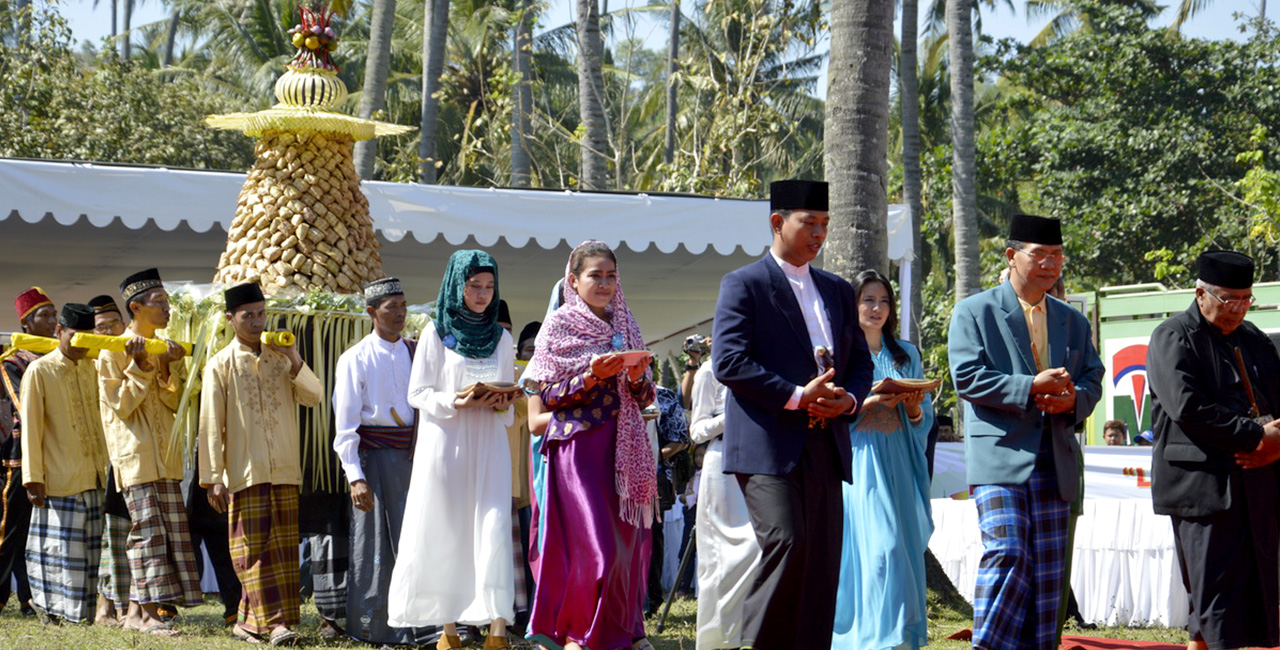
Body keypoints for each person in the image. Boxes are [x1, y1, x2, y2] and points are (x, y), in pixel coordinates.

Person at [711, 179, 874, 650]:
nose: (819, 233)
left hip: (826, 443)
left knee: (821, 561)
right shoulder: (745, 283)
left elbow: (859, 362)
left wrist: (850, 400)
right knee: (788, 541)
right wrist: (797, 395)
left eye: (825, 224)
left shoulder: (838, 290)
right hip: (767, 445)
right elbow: (730, 362)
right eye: (809, 223)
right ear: (778, 223)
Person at [947, 214, 1104, 650]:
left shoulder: (1072, 320)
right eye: (1040, 255)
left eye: (1057, 255)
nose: (1050, 264)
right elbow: (967, 377)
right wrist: (1028, 387)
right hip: (999, 456)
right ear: (1012, 256)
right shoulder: (974, 311)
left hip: (1057, 456)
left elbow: (1093, 377)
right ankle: (989, 645)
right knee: (1008, 551)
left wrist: (1074, 401)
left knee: (1050, 577)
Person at [524, 240, 657, 650]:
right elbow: (548, 395)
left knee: (625, 548)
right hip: (578, 449)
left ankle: (624, 630)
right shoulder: (559, 326)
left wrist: (636, 377)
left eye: (610, 275)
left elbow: (644, 395)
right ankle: (580, 634)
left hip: (625, 446)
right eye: (594, 275)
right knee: (595, 547)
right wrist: (592, 376)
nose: (604, 284)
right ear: (574, 280)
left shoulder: (626, 323)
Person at [1146, 250, 1280, 650]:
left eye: (1245, 300)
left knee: (1250, 591)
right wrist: (1255, 436)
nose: (1236, 310)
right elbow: (1188, 408)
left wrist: (1276, 442)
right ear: (1200, 293)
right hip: (1202, 487)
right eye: (1227, 300)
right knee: (1214, 592)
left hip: (1257, 482)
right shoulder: (1173, 336)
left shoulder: (1255, 339)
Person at [387, 250, 517, 650]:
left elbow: (509, 396)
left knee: (492, 527)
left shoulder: (502, 336)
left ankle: (497, 632)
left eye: (489, 287)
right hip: (446, 444)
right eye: (474, 286)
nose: (481, 295)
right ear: (457, 286)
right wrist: (453, 402)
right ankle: (448, 632)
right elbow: (418, 393)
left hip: (489, 444)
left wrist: (501, 401)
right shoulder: (435, 332)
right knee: (446, 529)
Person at [199, 282, 323, 645]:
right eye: (247, 315)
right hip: (243, 470)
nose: (256, 322)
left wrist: (295, 357)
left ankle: (247, 623)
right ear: (230, 319)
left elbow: (313, 396)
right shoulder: (220, 364)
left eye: (261, 313)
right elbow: (210, 424)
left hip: (284, 466)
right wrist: (212, 477)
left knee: (282, 548)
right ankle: (275, 624)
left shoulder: (280, 357)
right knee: (251, 549)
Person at [829, 271, 934, 650]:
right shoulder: (842, 358)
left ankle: (898, 638)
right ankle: (869, 636)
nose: (876, 309)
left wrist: (915, 408)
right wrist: (865, 404)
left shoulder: (906, 355)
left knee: (901, 547)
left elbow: (926, 421)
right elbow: (832, 414)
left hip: (900, 463)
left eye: (884, 301)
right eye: (868, 300)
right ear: (853, 306)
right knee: (878, 549)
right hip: (860, 462)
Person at [332, 277, 434, 646]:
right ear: (371, 312)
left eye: (404, 306)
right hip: (372, 459)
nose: (401, 314)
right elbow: (345, 426)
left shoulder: (417, 351)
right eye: (392, 307)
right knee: (372, 543)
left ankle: (421, 626)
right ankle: (373, 627)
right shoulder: (354, 358)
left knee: (415, 537)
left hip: (414, 458)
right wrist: (354, 476)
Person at [98, 269, 200, 637]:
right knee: (146, 535)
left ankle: (139, 612)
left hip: (167, 457)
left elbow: (176, 403)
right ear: (136, 308)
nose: (168, 309)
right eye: (160, 303)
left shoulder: (165, 346)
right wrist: (140, 368)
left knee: (167, 533)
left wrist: (169, 367)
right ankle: (145, 616)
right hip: (136, 456)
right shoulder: (111, 350)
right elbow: (121, 406)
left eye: (168, 302)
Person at [19, 304, 108, 624]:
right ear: (59, 332)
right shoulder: (40, 371)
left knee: (90, 554)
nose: (83, 344)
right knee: (58, 553)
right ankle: (53, 610)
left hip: (97, 475)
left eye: (89, 337)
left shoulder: (94, 367)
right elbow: (31, 427)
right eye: (76, 336)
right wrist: (32, 478)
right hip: (59, 478)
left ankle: (83, 613)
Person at [690, 334, 763, 650]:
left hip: (761, 463)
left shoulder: (765, 368)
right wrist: (732, 415)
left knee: (760, 548)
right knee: (721, 557)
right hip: (721, 464)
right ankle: (718, 638)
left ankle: (753, 631)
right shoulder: (710, 370)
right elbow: (696, 430)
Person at [1, 287, 56, 617]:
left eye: (53, 315)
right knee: (13, 529)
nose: (52, 322)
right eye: (44, 316)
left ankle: (29, 597)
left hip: (57, 453)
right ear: (26, 323)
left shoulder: (59, 357)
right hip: (20, 455)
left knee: (41, 531)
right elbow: (23, 404)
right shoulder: (12, 361)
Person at [508, 320, 541, 633]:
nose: (532, 355)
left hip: (540, 476)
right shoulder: (515, 380)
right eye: (528, 349)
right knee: (520, 547)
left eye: (537, 349)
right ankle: (521, 614)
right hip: (517, 476)